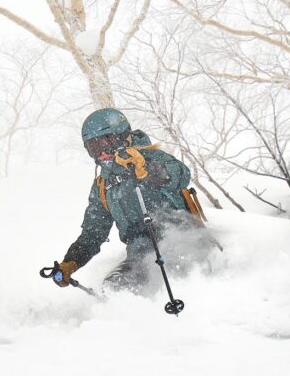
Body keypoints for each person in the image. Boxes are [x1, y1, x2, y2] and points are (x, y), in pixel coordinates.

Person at [50, 108, 203, 292]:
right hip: (141, 255)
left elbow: (181, 174)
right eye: (94, 148)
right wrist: (71, 262)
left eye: (106, 143)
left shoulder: (149, 157)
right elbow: (93, 233)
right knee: (115, 288)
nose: (102, 153)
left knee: (183, 277)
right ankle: (125, 315)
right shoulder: (103, 186)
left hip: (184, 242)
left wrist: (149, 170)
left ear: (123, 137)